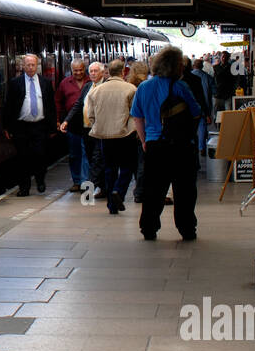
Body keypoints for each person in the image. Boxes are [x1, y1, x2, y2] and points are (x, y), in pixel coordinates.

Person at [130, 46, 202, 242]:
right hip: (181, 146)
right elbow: (196, 113)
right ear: (175, 66)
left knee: (153, 190)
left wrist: (145, 141)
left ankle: (149, 227)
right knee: (184, 190)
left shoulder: (144, 87)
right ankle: (186, 228)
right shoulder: (180, 87)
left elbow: (137, 117)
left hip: (154, 146)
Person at [85, 58, 138, 214]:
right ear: (123, 72)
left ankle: (111, 205)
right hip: (125, 135)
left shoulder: (96, 91)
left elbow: (91, 115)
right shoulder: (131, 89)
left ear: (108, 72)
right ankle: (118, 192)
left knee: (110, 169)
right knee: (127, 167)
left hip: (104, 137)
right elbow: (135, 114)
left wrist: (100, 126)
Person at [3, 53, 56, 196]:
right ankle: (24, 188)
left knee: (40, 155)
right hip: (22, 126)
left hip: (40, 125)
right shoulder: (15, 83)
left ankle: (40, 180)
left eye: (34, 65)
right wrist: (7, 126)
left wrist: (52, 126)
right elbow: (9, 106)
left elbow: (51, 105)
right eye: (28, 65)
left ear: (37, 66)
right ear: (23, 66)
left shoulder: (45, 83)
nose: (31, 67)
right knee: (22, 158)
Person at [60, 61, 105, 188]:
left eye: (96, 71)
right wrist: (66, 120)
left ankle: (92, 185)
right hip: (85, 128)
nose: (93, 74)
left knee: (97, 158)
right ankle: (97, 185)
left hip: (100, 128)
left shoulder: (105, 86)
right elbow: (78, 104)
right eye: (91, 71)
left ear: (102, 72)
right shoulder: (88, 86)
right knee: (89, 156)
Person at [55, 59, 89, 191]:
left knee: (87, 153)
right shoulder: (65, 83)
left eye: (81, 69)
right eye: (76, 70)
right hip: (72, 123)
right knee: (74, 154)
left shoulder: (90, 82)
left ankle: (85, 181)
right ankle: (76, 181)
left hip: (88, 123)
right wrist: (58, 120)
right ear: (71, 70)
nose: (79, 72)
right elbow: (58, 102)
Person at [128, 60, 150, 204]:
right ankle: (140, 191)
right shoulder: (147, 87)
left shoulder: (128, 87)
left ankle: (137, 188)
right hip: (143, 128)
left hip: (129, 130)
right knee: (143, 162)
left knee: (134, 163)